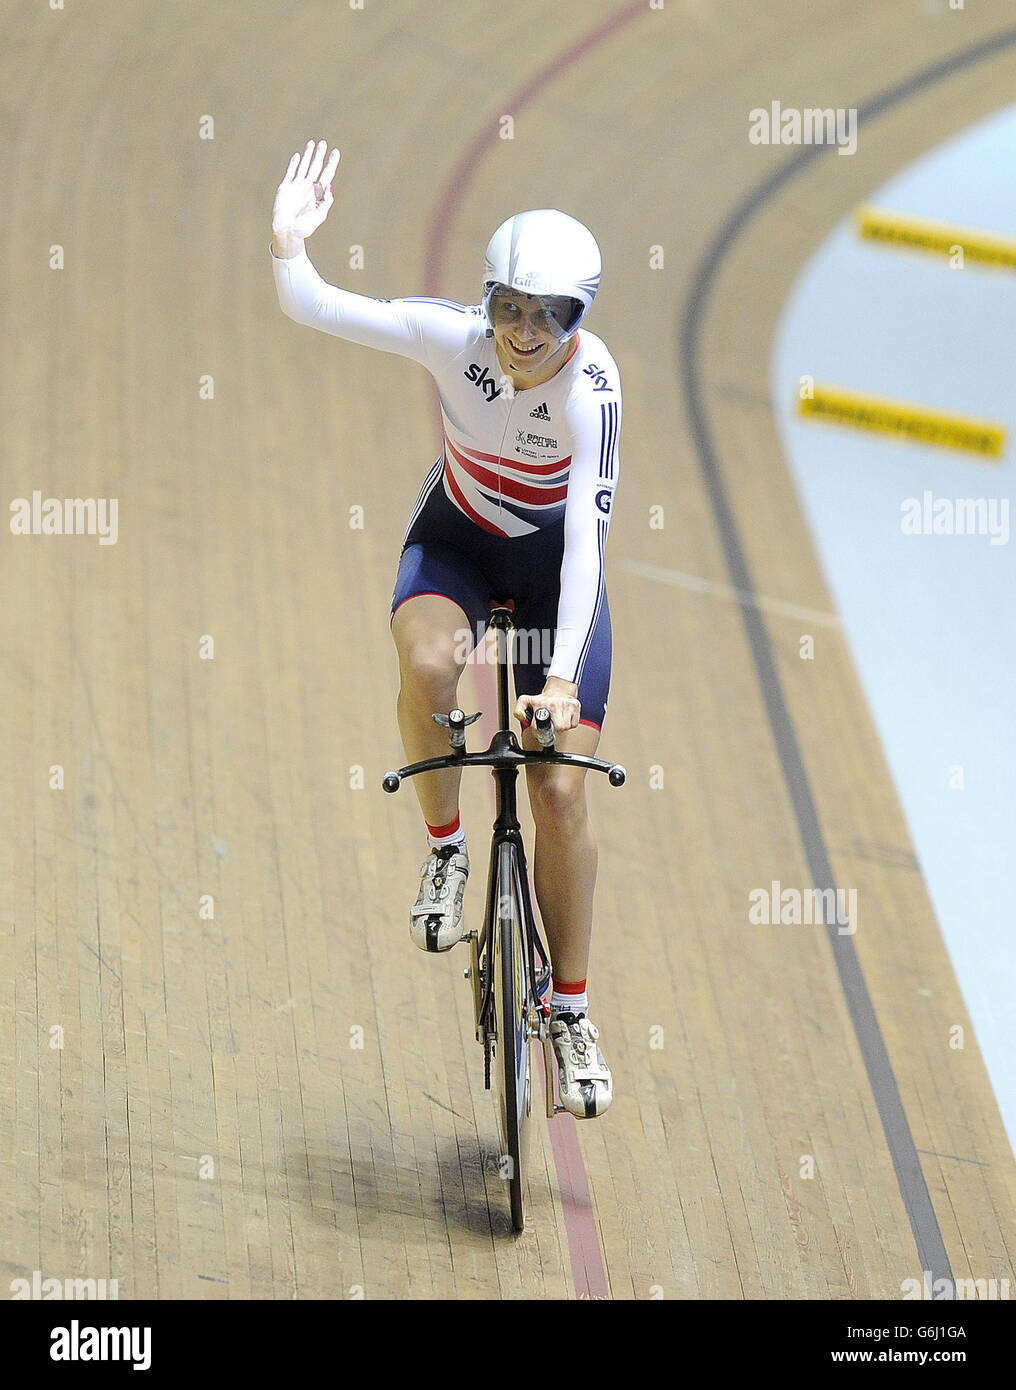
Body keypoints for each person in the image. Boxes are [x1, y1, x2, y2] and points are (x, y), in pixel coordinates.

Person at [270, 140, 620, 1118]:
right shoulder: (450, 339)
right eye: (507, 306)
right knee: (428, 663)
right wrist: (287, 244)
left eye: (545, 316)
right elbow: (319, 306)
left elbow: (587, 545)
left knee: (557, 790)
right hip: (457, 543)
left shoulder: (593, 391)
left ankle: (572, 1006)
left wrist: (554, 678)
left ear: (577, 320)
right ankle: (446, 845)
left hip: (555, 575)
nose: (520, 331)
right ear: (488, 301)